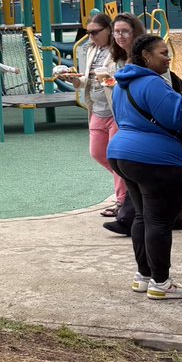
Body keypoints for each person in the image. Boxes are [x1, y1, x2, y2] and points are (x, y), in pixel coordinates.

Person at [107, 33, 182, 300]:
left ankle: (144, 275)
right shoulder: (152, 83)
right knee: (159, 221)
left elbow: (123, 119)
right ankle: (161, 283)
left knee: (142, 216)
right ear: (146, 56)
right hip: (154, 159)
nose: (168, 58)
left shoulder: (122, 85)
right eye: (163, 53)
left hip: (123, 154)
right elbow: (180, 114)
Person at [56, 12, 125, 219]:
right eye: (88, 33)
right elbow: (86, 81)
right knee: (97, 153)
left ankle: (122, 201)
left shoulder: (118, 52)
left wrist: (108, 80)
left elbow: (120, 79)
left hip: (115, 110)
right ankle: (129, 186)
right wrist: (73, 79)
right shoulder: (91, 50)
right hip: (97, 108)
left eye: (95, 32)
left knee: (115, 157)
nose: (91, 37)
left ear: (108, 31)